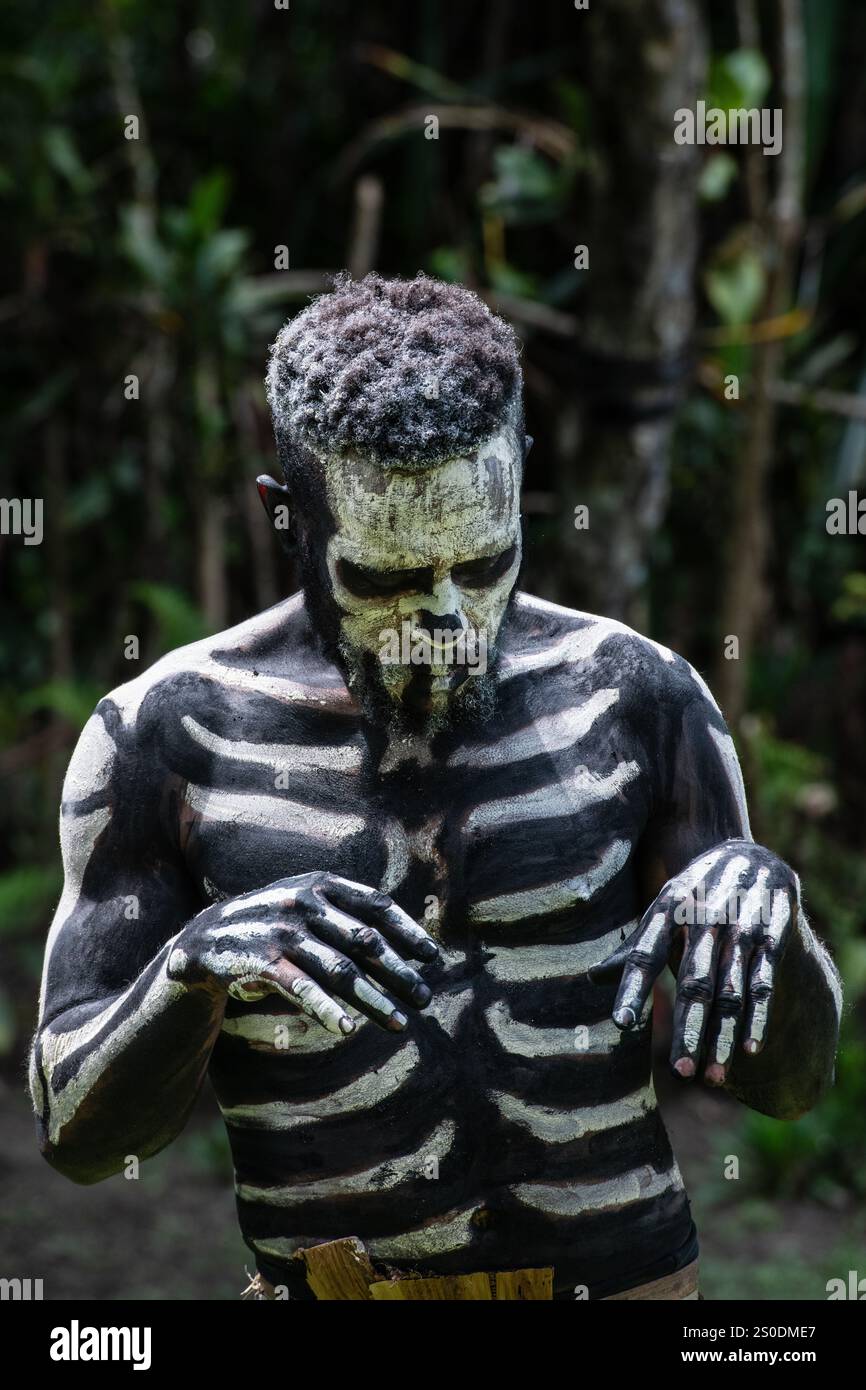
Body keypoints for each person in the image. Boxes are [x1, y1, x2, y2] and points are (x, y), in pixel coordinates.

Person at [28, 273, 842, 1301]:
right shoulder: (167, 736)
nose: (445, 622)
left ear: (519, 480)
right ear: (287, 519)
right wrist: (191, 968)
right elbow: (77, 1137)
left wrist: (773, 914)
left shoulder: (638, 699)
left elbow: (791, 1085)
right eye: (386, 580)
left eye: (483, 562)